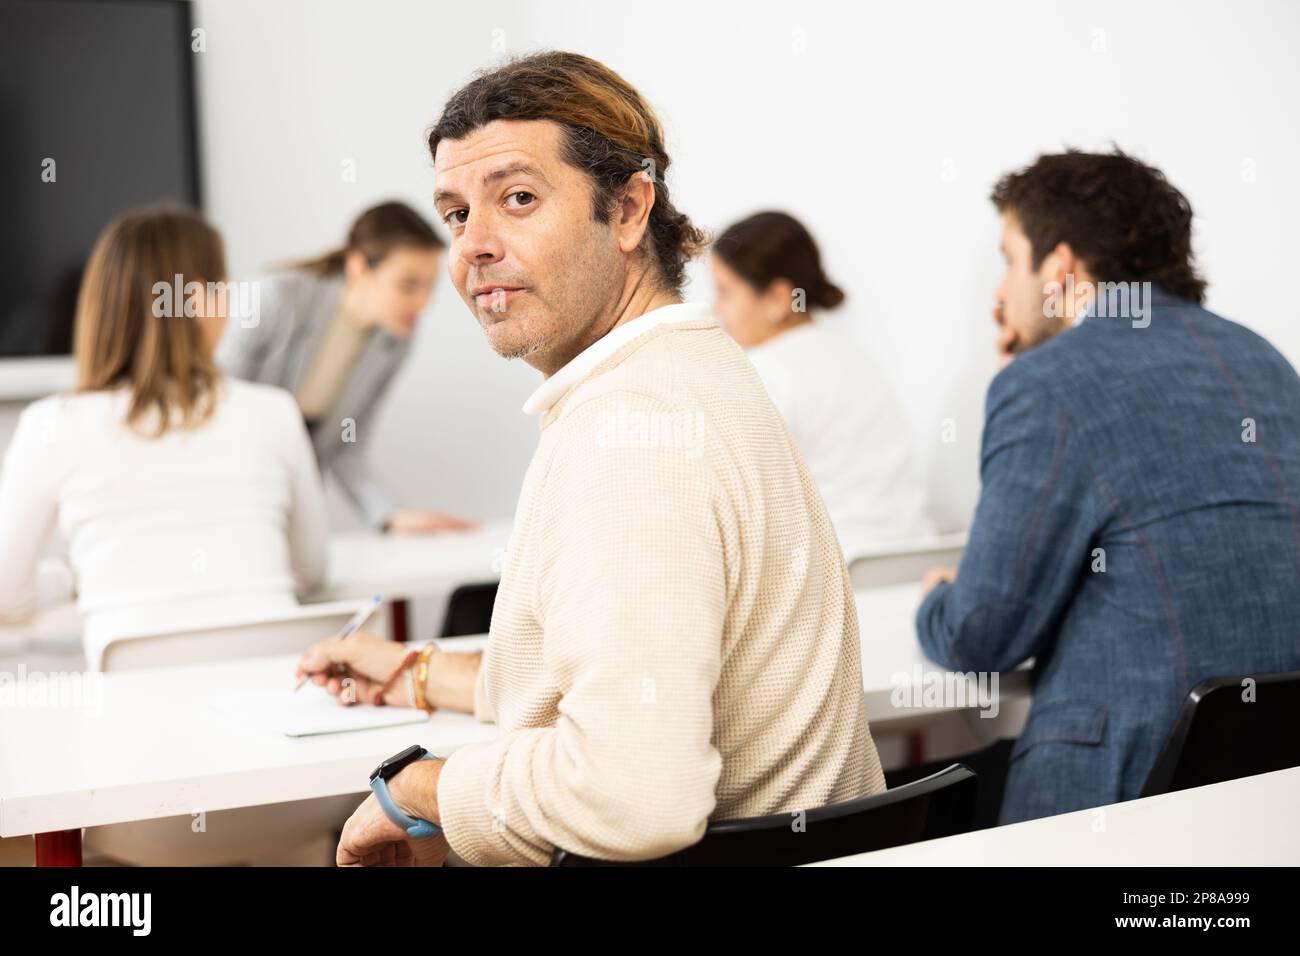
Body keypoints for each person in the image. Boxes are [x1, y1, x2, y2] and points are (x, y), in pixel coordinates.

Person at [297, 51, 886, 867]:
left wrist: (422, 788)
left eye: (517, 198)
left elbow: (633, 793)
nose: (473, 246)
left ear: (629, 209)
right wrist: (415, 671)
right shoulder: (697, 376)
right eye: (456, 214)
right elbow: (627, 676)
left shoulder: (628, 433)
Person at [917, 148, 1300, 824]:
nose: (1001, 292)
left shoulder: (1046, 386)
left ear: (1060, 267)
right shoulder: (1265, 361)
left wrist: (939, 600)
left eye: (1010, 260)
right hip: (1266, 791)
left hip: (1116, 797)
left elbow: (984, 636)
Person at [0, 206, 329, 669]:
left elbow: (6, 596)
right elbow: (312, 571)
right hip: (278, 695)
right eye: (222, 284)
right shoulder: (274, 411)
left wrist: (62, 580)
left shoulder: (51, 425)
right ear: (197, 299)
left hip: (135, 717)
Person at [215, 201, 475, 533]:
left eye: (430, 288)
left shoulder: (395, 341)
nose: (423, 304)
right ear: (358, 268)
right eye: (409, 285)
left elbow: (347, 448)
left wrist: (391, 516)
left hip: (292, 487)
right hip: (231, 476)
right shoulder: (277, 296)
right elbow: (217, 402)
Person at [711, 211, 931, 557]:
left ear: (778, 299)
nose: (716, 308)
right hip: (906, 568)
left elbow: (735, 501)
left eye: (725, 292)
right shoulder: (855, 360)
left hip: (838, 579)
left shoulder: (766, 372)